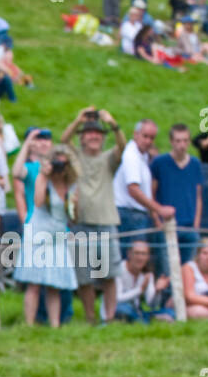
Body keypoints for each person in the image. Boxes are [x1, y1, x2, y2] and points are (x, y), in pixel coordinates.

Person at [62, 106, 126, 322]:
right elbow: (63, 141)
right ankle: (91, 318)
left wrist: (112, 123)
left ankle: (108, 317)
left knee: (109, 275)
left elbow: (122, 146)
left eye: (98, 134)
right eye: (89, 133)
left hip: (106, 222)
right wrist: (78, 120)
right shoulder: (76, 157)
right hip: (80, 223)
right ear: (82, 137)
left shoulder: (109, 158)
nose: (93, 137)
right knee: (85, 277)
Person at [16, 146, 79, 326]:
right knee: (34, 283)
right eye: (56, 161)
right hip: (38, 234)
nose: (60, 166)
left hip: (58, 236)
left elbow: (74, 217)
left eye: (63, 162)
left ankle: (55, 325)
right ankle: (28, 325)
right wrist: (44, 175)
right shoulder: (42, 179)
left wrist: (75, 205)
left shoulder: (71, 185)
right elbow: (38, 202)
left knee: (54, 285)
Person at [114, 118, 174, 271]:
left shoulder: (142, 155)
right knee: (130, 263)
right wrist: (159, 210)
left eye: (151, 138)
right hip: (128, 216)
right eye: (145, 136)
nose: (148, 141)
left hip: (137, 216)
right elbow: (133, 190)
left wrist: (155, 217)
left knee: (140, 263)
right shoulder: (132, 156)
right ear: (135, 134)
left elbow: (145, 191)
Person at [151, 123, 204, 267]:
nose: (182, 145)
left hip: (189, 227)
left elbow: (198, 196)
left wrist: (196, 224)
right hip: (167, 225)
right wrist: (157, 220)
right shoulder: (159, 163)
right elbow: (152, 193)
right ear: (171, 141)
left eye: (185, 141)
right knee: (167, 270)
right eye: (178, 141)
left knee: (188, 270)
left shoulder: (195, 163)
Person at [113, 239, 170, 321]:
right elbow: (117, 299)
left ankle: (143, 319)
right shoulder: (119, 270)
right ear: (129, 254)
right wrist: (140, 289)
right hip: (120, 308)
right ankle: (145, 320)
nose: (140, 257)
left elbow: (151, 304)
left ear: (148, 257)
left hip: (137, 311)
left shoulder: (147, 274)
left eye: (143, 254)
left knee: (170, 312)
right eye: (136, 253)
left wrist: (157, 291)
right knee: (122, 310)